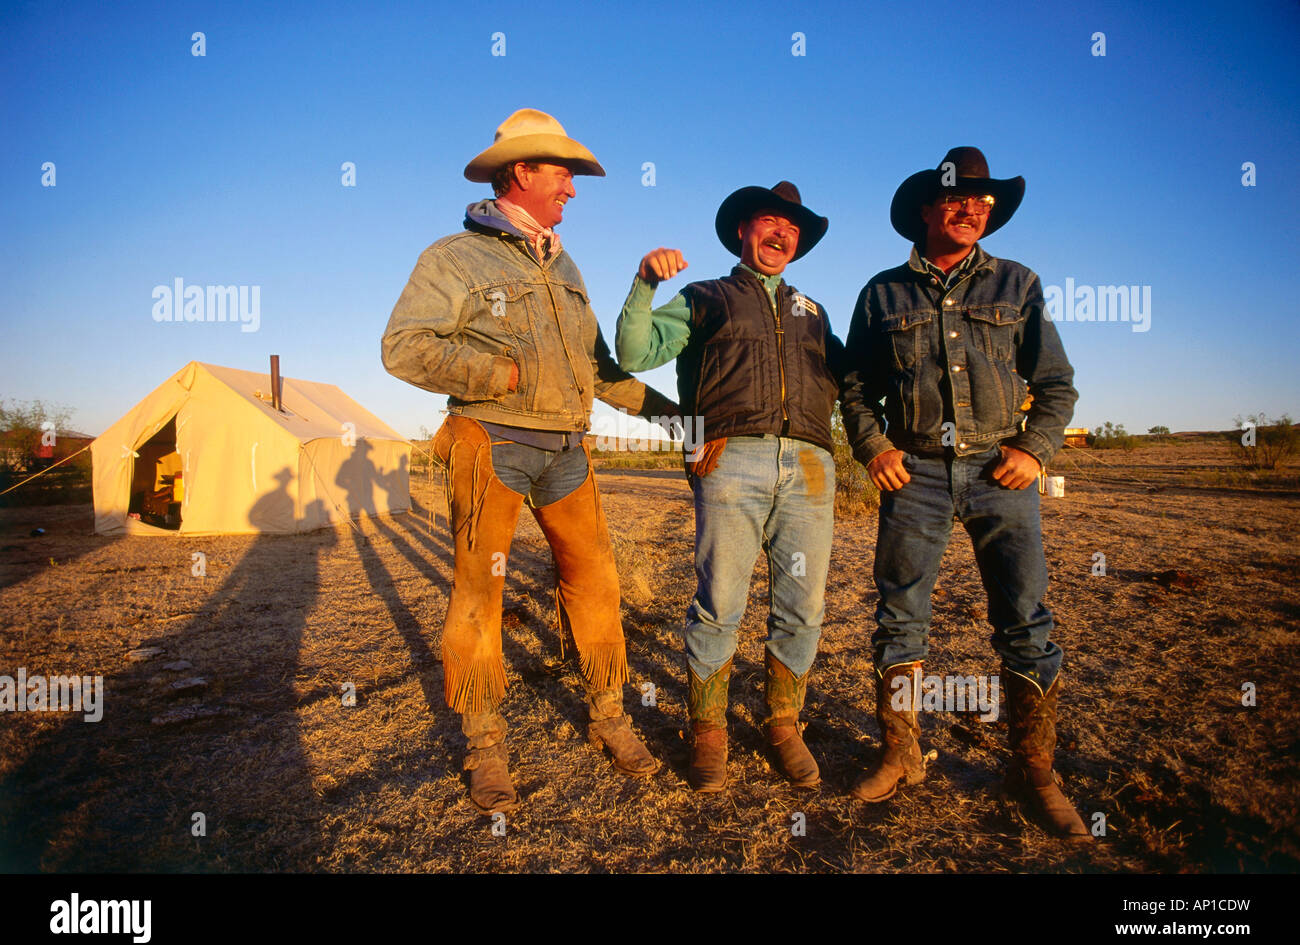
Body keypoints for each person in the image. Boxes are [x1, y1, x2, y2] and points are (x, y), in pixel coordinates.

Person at [381, 108, 676, 814]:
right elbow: (404, 346)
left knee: (596, 582)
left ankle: (609, 715)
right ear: (522, 171)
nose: (573, 188)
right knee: (480, 593)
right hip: (492, 444)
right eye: (563, 173)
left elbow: (599, 369)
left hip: (568, 450)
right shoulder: (452, 257)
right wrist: (499, 375)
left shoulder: (565, 265)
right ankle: (484, 744)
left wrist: (675, 417)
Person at [840, 147, 1088, 838]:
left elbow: (1057, 383)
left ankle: (1034, 768)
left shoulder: (1018, 283)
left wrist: (1033, 450)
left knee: (1025, 618)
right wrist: (874, 446)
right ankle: (900, 751)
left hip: (998, 472)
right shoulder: (882, 294)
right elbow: (855, 386)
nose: (972, 207)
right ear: (926, 208)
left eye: (983, 201)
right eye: (957, 197)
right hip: (913, 474)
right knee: (899, 616)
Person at [616, 182, 842, 792]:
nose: (780, 234)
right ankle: (709, 731)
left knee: (804, 606)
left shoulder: (813, 313)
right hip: (730, 463)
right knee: (720, 602)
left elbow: (857, 380)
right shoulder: (706, 297)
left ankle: (782, 724)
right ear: (744, 229)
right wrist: (645, 282)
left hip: (812, 468)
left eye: (791, 227)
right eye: (769, 220)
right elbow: (633, 352)